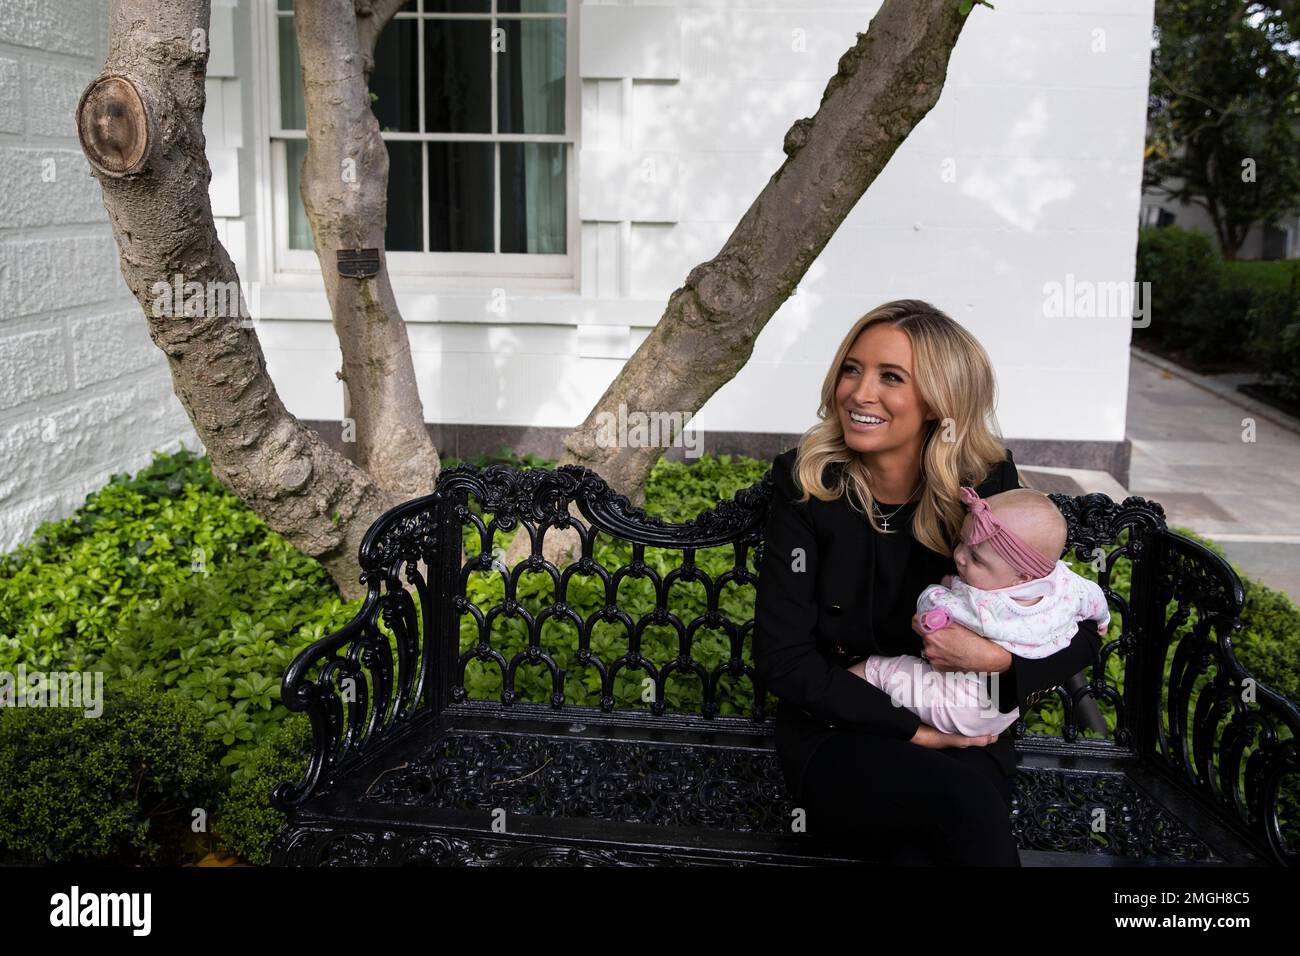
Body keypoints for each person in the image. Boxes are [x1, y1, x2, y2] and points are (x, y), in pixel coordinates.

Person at [752, 299, 1102, 866]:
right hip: (841, 723)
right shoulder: (808, 484)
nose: (860, 393)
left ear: (942, 400)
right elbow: (782, 659)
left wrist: (998, 664)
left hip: (965, 718)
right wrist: (915, 733)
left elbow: (1080, 629)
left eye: (891, 377)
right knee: (961, 808)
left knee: (939, 833)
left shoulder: (983, 486)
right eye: (852, 368)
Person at [853, 486, 1111, 738]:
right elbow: (1095, 601)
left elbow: (932, 607)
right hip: (1004, 710)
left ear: (1021, 578)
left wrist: (941, 589)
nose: (959, 557)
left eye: (976, 559)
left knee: (877, 669)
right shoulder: (1067, 585)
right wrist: (1103, 621)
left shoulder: (983, 605)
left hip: (960, 702)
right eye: (961, 542)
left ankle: (840, 701)